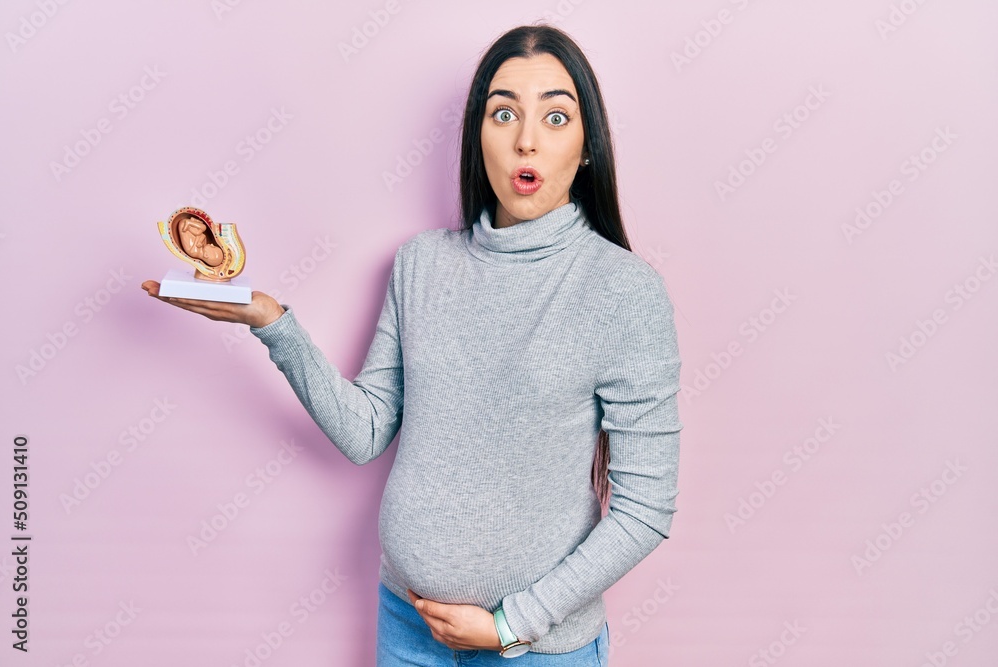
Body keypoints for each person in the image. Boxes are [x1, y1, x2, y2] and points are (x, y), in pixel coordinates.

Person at [142, 23, 682, 666]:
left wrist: (513, 625)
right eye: (502, 113)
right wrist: (271, 322)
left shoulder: (626, 293)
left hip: (535, 649)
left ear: (587, 146)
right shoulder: (422, 265)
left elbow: (645, 509)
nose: (526, 141)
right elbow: (365, 431)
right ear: (477, 135)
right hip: (405, 623)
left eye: (556, 117)